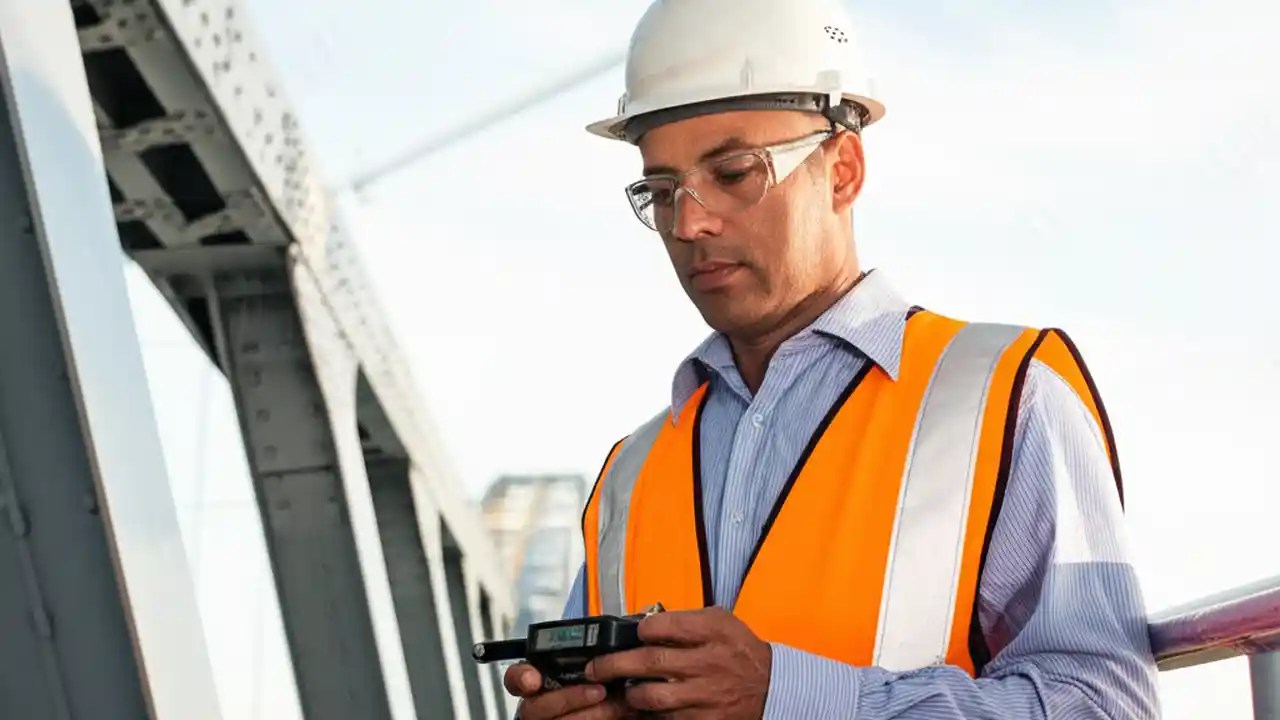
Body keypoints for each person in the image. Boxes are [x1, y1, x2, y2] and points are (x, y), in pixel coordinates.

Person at [504, 0, 1161, 717]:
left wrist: (785, 696)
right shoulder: (627, 479)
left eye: (733, 172)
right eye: (662, 192)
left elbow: (1105, 705)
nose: (689, 222)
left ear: (843, 170)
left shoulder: (1004, 395)